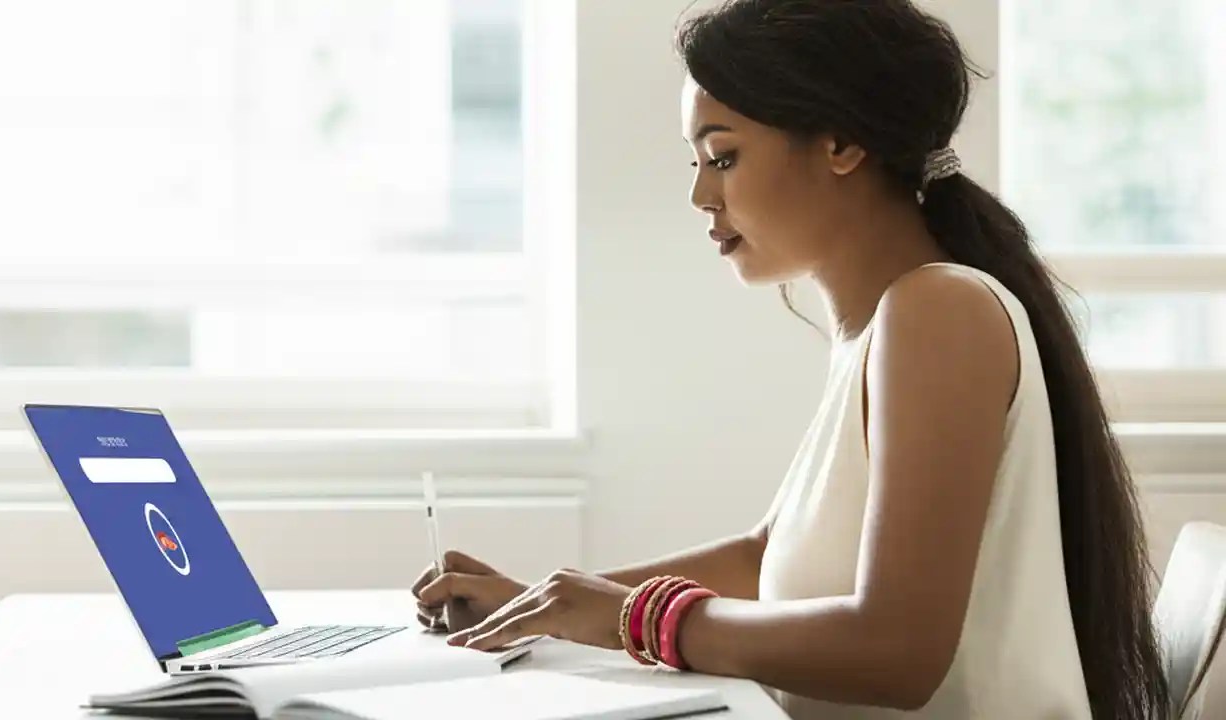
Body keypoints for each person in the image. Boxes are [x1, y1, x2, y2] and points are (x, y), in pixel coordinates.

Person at [410, 1, 1171, 718]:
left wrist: (630, 618)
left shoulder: (939, 312)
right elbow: (768, 554)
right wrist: (549, 604)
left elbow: (900, 653)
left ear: (841, 144)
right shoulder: (884, 324)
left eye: (724, 156)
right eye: (697, 162)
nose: (701, 195)